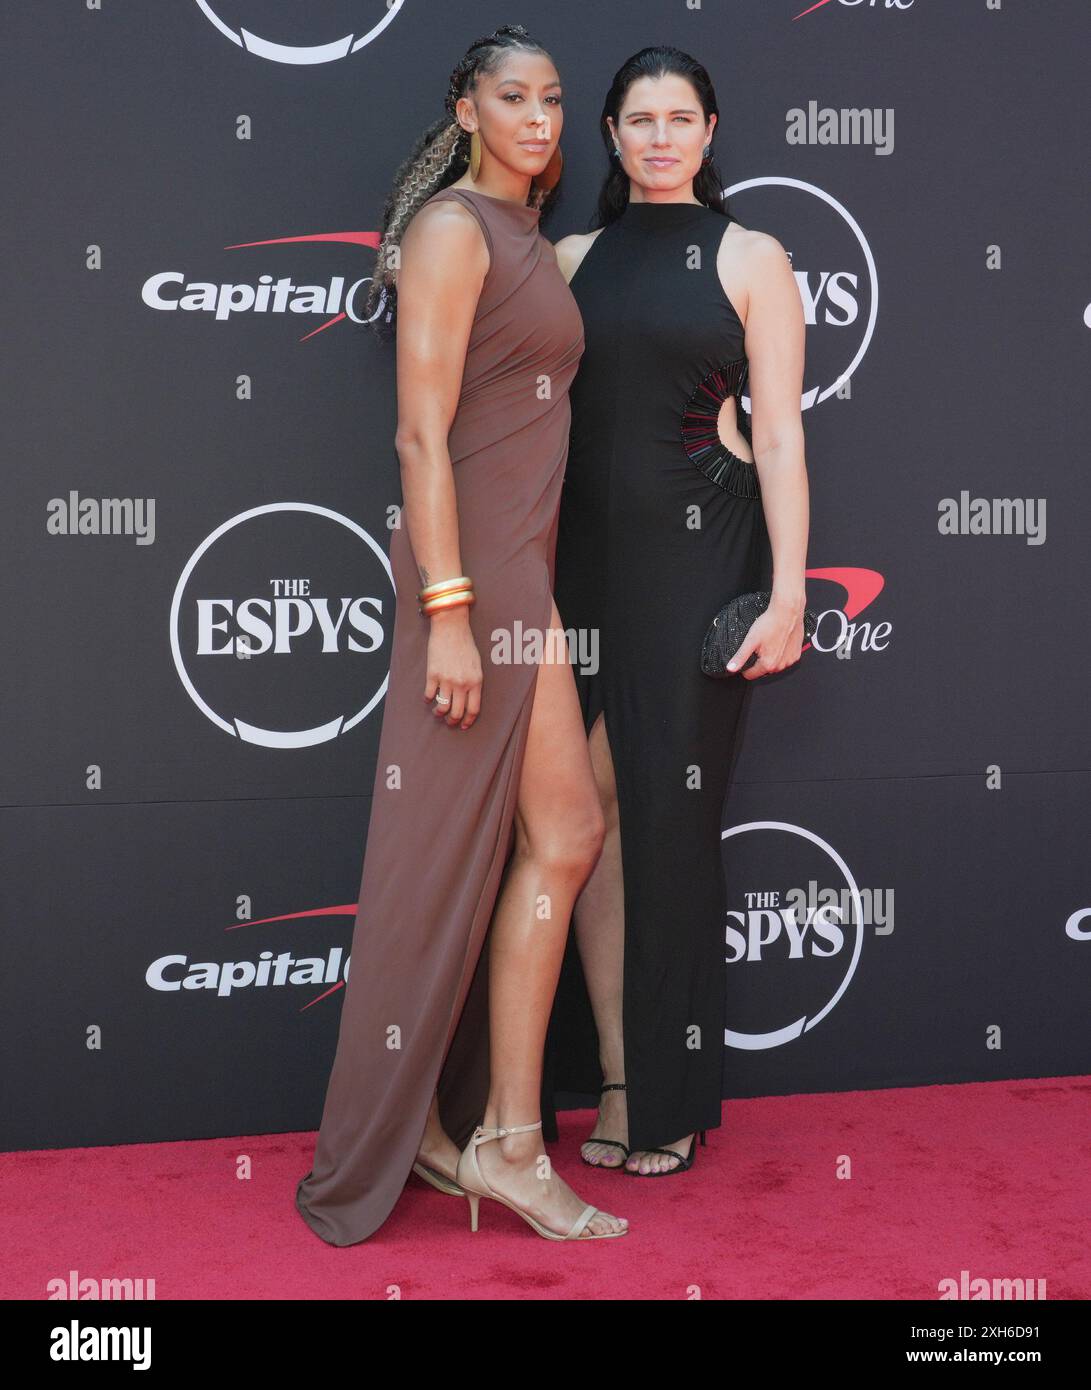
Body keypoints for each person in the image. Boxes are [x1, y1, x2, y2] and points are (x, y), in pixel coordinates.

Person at [295, 26, 627, 1242]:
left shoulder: (528, 239)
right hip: (470, 586)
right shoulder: (450, 230)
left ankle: (481, 1136)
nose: (538, 118)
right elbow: (417, 437)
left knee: (560, 833)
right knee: (473, 859)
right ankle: (493, 1143)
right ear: (465, 107)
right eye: (512, 97)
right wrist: (446, 615)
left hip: (517, 580)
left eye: (551, 98)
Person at [543, 46, 809, 1175]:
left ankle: (672, 1093)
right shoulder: (569, 257)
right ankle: (615, 1078)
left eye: (679, 118)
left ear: (708, 133)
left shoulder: (752, 256)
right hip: (580, 571)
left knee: (670, 825)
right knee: (588, 823)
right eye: (637, 118)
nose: (658, 136)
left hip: (703, 565)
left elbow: (783, 433)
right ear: (607, 134)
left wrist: (791, 591)